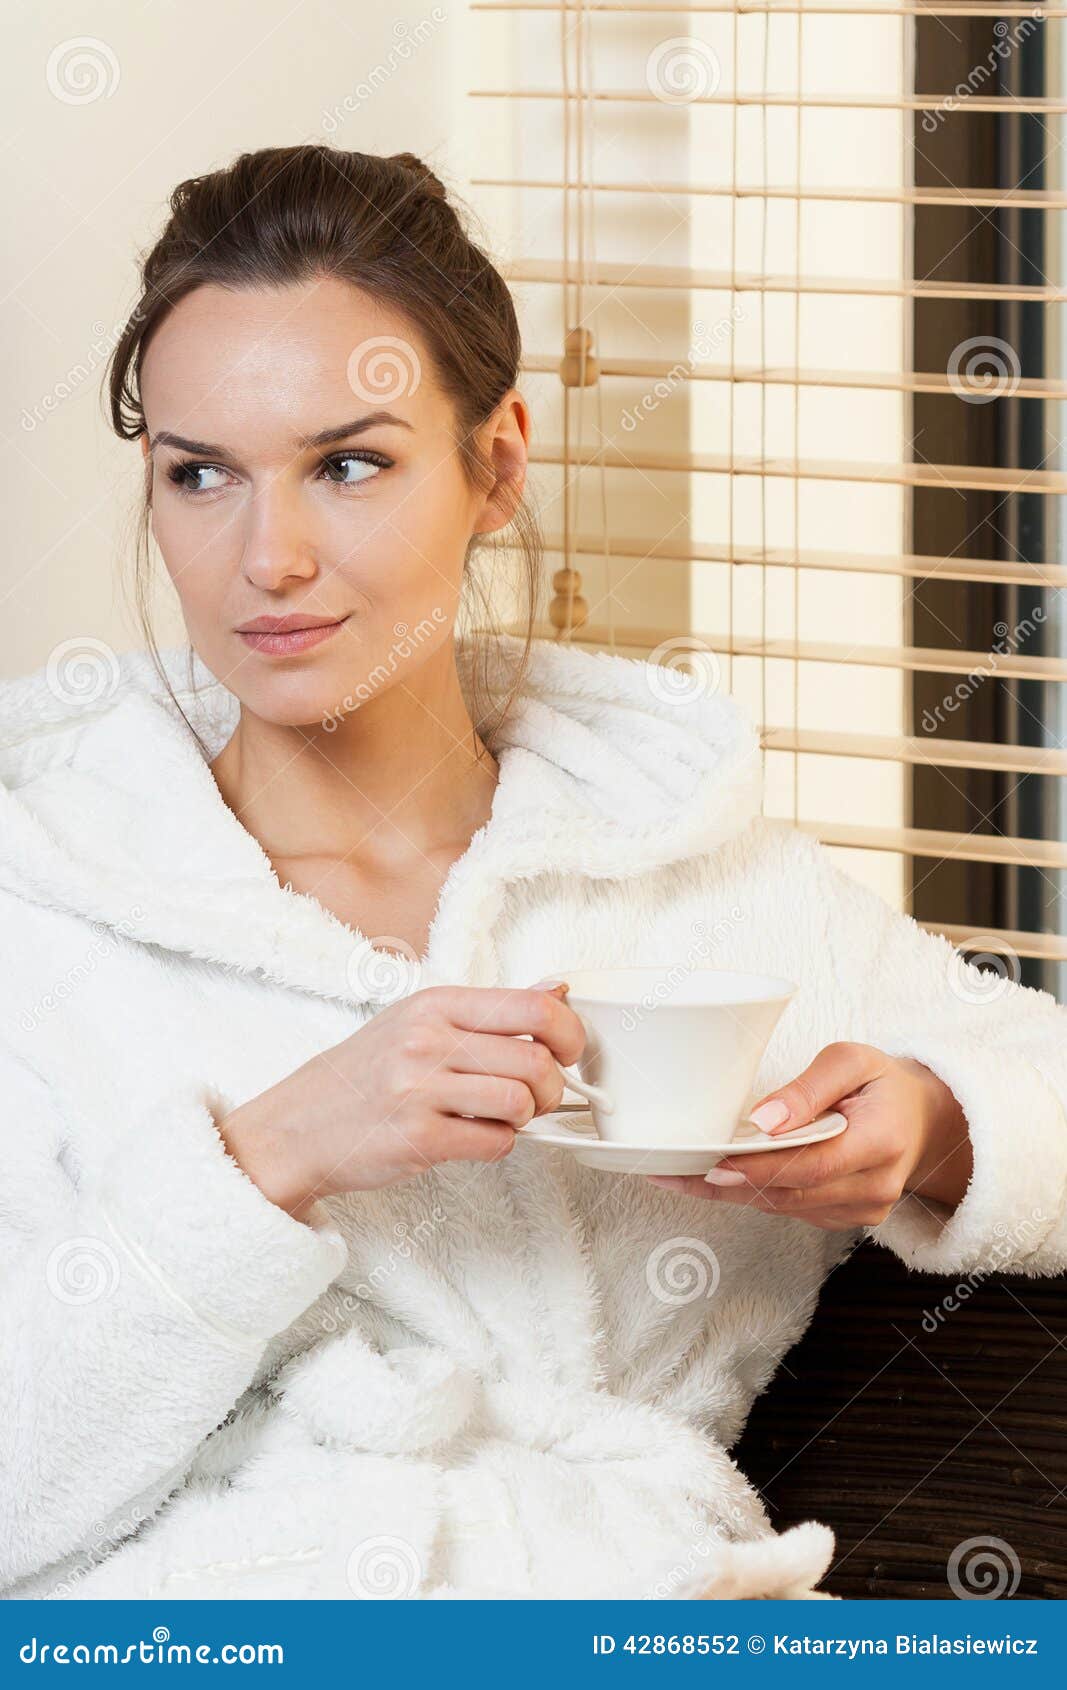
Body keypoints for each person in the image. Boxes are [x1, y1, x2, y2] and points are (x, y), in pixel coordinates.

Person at [1, 144, 1064, 1603]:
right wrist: (271, 1158)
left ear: (497, 462)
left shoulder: (688, 871)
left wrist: (939, 1128)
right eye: (203, 477)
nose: (270, 556)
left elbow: (1043, 1088)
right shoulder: (49, 915)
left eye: (350, 463)